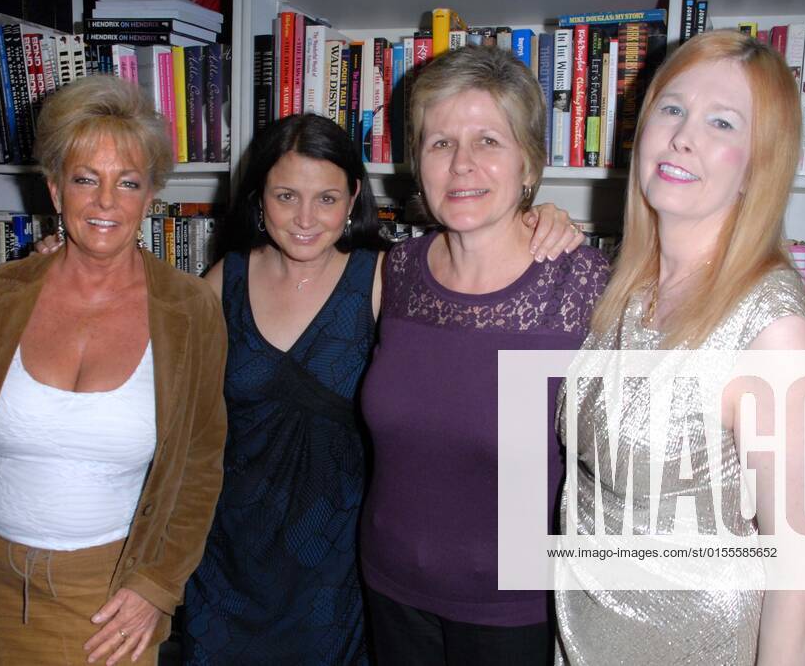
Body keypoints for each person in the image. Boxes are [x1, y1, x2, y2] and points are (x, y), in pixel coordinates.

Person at [176, 111, 582, 665]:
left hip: (338, 570)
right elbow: (167, 391)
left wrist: (538, 217)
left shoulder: (387, 278)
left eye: (326, 198)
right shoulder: (224, 279)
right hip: (229, 559)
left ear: (353, 199)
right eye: (285, 195)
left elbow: (477, 272)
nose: (304, 218)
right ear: (258, 198)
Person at [0, 74, 228, 665]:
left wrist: (157, 586)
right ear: (55, 190)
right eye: (85, 179)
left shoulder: (189, 309)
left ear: (150, 195)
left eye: (127, 182)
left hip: (110, 598)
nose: (105, 202)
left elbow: (200, 467)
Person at [554, 30, 805, 665]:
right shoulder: (632, 285)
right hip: (586, 636)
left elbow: (803, 568)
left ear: (757, 165)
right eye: (672, 108)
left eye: (722, 122)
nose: (683, 136)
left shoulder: (772, 331)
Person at [358, 45, 610, 665]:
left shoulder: (584, 284)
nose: (462, 164)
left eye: (489, 141)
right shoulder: (397, 272)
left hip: (517, 609)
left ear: (530, 163)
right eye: (440, 143)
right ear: (417, 164)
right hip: (389, 589)